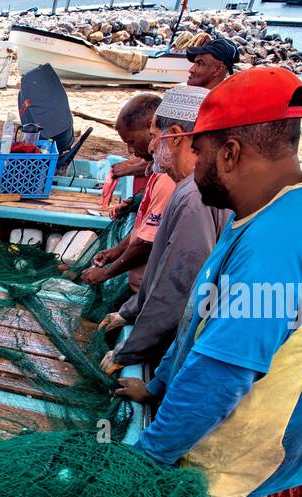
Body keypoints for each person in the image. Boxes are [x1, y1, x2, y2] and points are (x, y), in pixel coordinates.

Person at [114, 67, 302, 497]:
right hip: (217, 425)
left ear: (229, 153)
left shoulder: (281, 245)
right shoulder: (268, 208)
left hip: (237, 459)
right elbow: (200, 316)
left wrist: (144, 458)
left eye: (200, 149)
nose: (191, 161)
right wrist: (157, 385)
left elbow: (220, 375)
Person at [100, 84, 228, 376]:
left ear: (176, 137)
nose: (151, 147)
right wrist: (129, 311)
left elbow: (179, 285)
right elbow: (161, 267)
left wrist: (131, 349)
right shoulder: (185, 185)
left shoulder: (195, 196)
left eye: (155, 137)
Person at [106, 39, 238, 181]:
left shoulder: (219, 111)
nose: (191, 69)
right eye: (194, 63)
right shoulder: (190, 101)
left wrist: (129, 168)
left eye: (199, 63)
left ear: (218, 70)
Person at [82, 94, 173, 293]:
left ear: (152, 128)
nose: (130, 150)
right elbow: (145, 229)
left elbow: (146, 243)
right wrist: (117, 251)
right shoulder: (157, 172)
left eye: (131, 141)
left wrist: (106, 273)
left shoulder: (167, 179)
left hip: (151, 292)